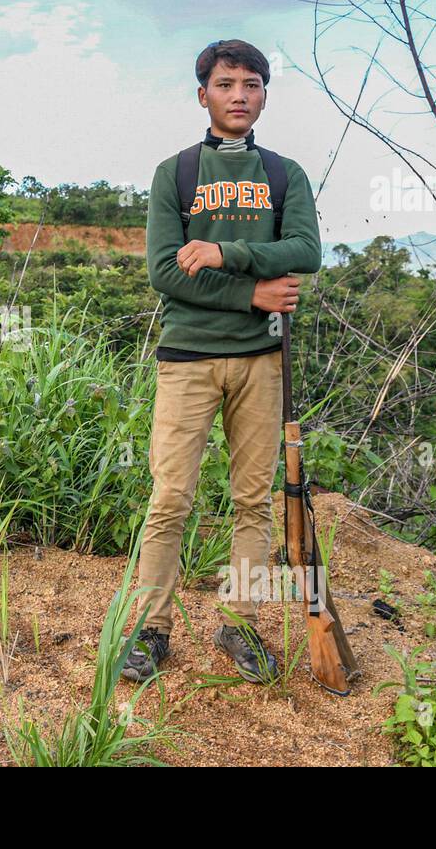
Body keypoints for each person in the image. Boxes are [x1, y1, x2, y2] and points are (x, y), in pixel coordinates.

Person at [122, 39, 321, 683]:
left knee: (252, 501)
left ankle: (240, 625)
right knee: (171, 497)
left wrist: (225, 255)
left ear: (265, 94)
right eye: (227, 83)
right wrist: (254, 291)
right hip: (188, 359)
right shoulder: (175, 173)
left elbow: (307, 250)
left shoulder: (285, 174)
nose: (240, 96)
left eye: (253, 85)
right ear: (202, 93)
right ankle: (151, 630)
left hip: (262, 359)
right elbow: (163, 273)